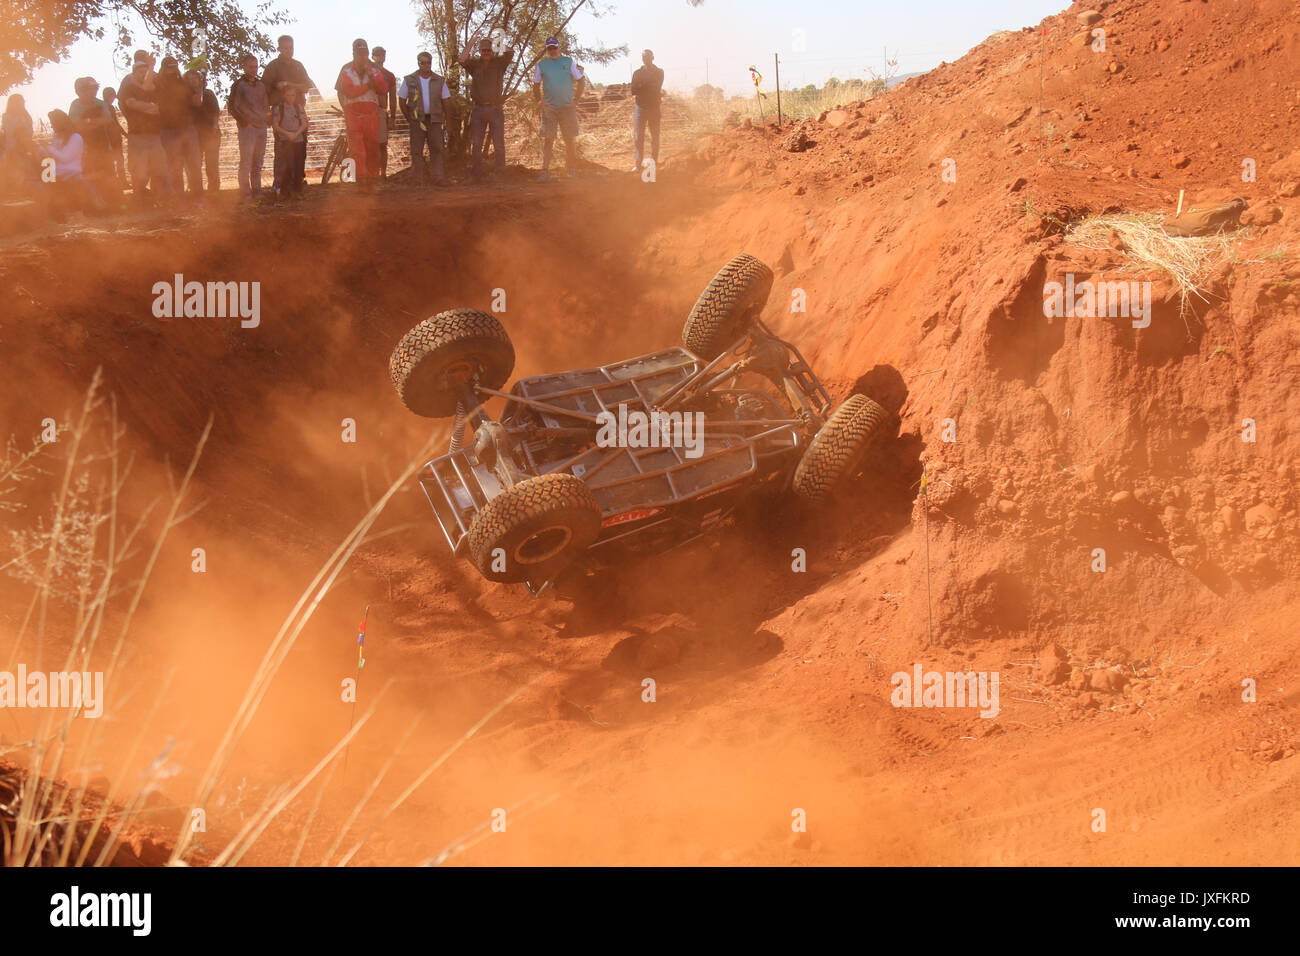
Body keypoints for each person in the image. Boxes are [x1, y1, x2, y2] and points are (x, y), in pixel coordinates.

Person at [117, 50, 172, 204]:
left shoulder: (152, 89)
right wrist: (148, 107)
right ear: (134, 74)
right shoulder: (128, 89)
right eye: (140, 72)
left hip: (154, 136)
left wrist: (143, 106)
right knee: (139, 172)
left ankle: (158, 200)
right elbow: (130, 104)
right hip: (137, 135)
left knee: (159, 169)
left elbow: (157, 108)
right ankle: (138, 200)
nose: (143, 74)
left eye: (145, 72)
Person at [261, 35, 316, 192]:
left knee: (300, 148)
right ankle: (280, 184)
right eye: (285, 48)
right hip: (280, 111)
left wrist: (289, 84)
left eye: (291, 48)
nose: (288, 51)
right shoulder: (272, 67)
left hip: (298, 110)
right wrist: (267, 112)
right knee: (282, 149)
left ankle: (298, 181)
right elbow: (263, 90)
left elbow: (307, 86)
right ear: (279, 48)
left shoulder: (298, 66)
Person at [460, 32, 515, 182]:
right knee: (476, 143)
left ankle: (500, 174)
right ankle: (477, 175)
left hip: (495, 108)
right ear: (480, 51)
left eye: (488, 50)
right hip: (478, 109)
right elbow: (462, 59)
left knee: (499, 144)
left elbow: (510, 52)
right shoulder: (475, 64)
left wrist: (496, 42)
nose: (486, 53)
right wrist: (473, 41)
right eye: (483, 50)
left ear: (492, 51)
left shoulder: (499, 63)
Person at [335, 39, 389, 186]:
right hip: (353, 114)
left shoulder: (374, 70)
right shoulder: (346, 70)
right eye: (359, 54)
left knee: (373, 148)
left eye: (365, 54)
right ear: (353, 54)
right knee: (357, 150)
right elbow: (349, 91)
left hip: (371, 114)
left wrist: (372, 77)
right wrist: (369, 85)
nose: (362, 57)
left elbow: (384, 89)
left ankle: (371, 178)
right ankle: (361, 180)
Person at [532, 36, 584, 182]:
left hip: (567, 107)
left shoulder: (568, 61)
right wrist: (539, 101)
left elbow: (580, 80)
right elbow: (536, 84)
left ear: (559, 47)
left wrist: (577, 99)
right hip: (550, 108)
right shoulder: (542, 65)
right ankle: (545, 171)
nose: (553, 50)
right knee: (548, 139)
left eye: (554, 47)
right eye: (550, 48)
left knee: (569, 139)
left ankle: (571, 170)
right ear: (547, 50)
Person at [398, 52, 451, 186]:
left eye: (428, 63)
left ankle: (438, 178)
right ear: (418, 63)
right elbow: (402, 100)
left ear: (431, 63)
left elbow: (446, 102)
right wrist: (410, 118)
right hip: (417, 120)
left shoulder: (439, 80)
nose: (426, 65)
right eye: (423, 63)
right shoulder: (409, 80)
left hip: (435, 120)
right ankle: (417, 179)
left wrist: (448, 121)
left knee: (437, 149)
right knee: (416, 150)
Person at [156, 56, 203, 199]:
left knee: (194, 164)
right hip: (168, 129)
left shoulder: (183, 83)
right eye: (169, 67)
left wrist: (199, 88)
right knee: (174, 166)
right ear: (164, 69)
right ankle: (179, 198)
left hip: (187, 128)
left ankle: (198, 197)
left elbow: (196, 103)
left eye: (175, 67)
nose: (173, 70)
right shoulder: (158, 83)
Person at [39, 109, 96, 218]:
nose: (51, 126)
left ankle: (71, 213)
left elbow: (65, 158)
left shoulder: (76, 137)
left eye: (52, 123)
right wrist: (41, 149)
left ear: (59, 123)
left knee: (54, 183)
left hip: (71, 172)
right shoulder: (57, 137)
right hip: (56, 172)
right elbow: (52, 154)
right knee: (44, 179)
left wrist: (48, 147)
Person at [228, 53, 270, 200]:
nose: (254, 69)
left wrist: (268, 120)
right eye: (251, 67)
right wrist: (245, 122)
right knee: (246, 160)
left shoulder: (261, 85)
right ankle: (245, 192)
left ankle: (257, 190)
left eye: (256, 66)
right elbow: (232, 107)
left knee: (258, 161)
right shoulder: (239, 85)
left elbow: (266, 105)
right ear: (244, 67)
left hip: (261, 127)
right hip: (248, 128)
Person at [67, 77, 114, 198]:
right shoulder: (75, 105)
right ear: (79, 91)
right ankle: (94, 205)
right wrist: (98, 121)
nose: (92, 92)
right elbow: (77, 126)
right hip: (85, 149)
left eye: (93, 89)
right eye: (87, 90)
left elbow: (108, 120)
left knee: (108, 176)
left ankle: (111, 202)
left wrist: (87, 122)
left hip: (104, 146)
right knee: (91, 177)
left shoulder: (101, 103)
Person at [271, 86, 309, 199]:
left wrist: (296, 134)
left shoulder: (298, 108)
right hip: (284, 141)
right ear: (284, 96)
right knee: (286, 166)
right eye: (288, 95)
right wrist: (287, 134)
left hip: (298, 140)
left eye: (293, 95)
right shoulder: (279, 109)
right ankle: (284, 191)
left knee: (298, 165)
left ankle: (297, 190)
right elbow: (275, 125)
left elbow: (304, 123)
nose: (291, 98)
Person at [630, 49, 664, 173]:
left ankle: (653, 163)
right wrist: (646, 85)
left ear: (653, 57)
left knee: (655, 136)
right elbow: (633, 90)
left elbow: (656, 87)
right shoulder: (637, 73)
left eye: (648, 56)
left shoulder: (659, 72)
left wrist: (641, 86)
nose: (646, 59)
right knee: (638, 137)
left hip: (654, 107)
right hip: (641, 108)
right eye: (644, 57)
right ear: (642, 58)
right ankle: (638, 164)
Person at [190, 70, 222, 192]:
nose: (193, 81)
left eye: (195, 79)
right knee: (195, 164)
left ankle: (214, 190)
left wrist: (214, 126)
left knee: (212, 164)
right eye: (190, 79)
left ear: (200, 81)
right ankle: (197, 190)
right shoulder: (187, 96)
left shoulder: (208, 94)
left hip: (211, 134)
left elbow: (215, 112)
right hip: (195, 136)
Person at [371, 46, 397, 179]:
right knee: (369, 143)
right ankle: (370, 173)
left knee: (382, 144)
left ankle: (383, 173)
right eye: (377, 54)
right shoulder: (366, 71)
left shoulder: (389, 75)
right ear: (372, 56)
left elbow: (393, 97)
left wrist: (392, 117)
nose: (380, 57)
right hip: (367, 110)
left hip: (381, 111)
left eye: (382, 54)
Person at [1, 95, 35, 196]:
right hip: (12, 148)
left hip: (24, 148)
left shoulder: (26, 116)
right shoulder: (6, 116)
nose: (22, 104)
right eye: (20, 102)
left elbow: (29, 132)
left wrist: (23, 132)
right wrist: (21, 129)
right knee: (14, 172)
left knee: (24, 173)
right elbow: (11, 131)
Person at [100, 86, 128, 189]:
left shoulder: (105, 107)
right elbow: (114, 123)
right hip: (112, 139)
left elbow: (115, 123)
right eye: (112, 96)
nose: (113, 99)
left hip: (113, 138)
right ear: (108, 96)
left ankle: (120, 183)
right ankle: (121, 183)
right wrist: (125, 134)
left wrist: (124, 134)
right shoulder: (107, 107)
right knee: (118, 162)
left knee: (116, 162)